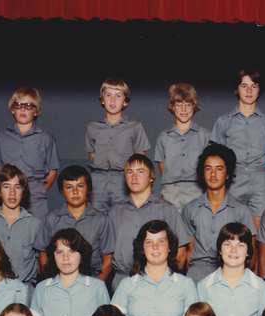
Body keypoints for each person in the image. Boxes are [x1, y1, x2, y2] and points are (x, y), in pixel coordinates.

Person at [210, 69, 265, 230]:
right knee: (231, 228)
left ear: (259, 90)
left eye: (254, 86)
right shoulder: (223, 122)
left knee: (257, 230)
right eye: (244, 86)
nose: (249, 91)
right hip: (234, 180)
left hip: (260, 180)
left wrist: (260, 176)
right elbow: (217, 158)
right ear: (236, 90)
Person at [107, 154, 189, 289]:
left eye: (140, 171)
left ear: (151, 177)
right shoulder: (114, 211)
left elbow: (180, 254)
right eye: (130, 172)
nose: (134, 177)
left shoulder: (167, 209)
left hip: (158, 280)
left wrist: (168, 281)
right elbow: (107, 255)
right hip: (121, 280)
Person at [198, 222, 265, 316]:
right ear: (220, 249)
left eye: (241, 245)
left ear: (248, 251)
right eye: (227, 244)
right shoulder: (204, 286)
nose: (233, 250)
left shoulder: (261, 288)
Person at [180, 143, 256, 281]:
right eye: (208, 169)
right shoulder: (190, 209)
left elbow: (251, 253)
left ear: (227, 174)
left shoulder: (241, 211)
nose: (213, 174)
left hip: (229, 271)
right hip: (197, 273)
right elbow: (188, 252)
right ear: (203, 174)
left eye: (219, 169)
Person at [35, 166, 116, 282]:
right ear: (62, 191)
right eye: (69, 187)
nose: (75, 191)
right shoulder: (50, 219)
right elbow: (43, 257)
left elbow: (108, 261)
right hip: (59, 280)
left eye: (80, 186)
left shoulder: (102, 220)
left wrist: (94, 286)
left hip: (91, 278)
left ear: (88, 190)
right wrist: (53, 284)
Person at [0, 87, 60, 220]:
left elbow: (53, 171)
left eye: (28, 105)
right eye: (18, 105)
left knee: (37, 231)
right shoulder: (1, 136)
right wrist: (6, 188)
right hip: (10, 196)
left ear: (36, 111)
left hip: (36, 198)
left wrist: (41, 190)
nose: (23, 109)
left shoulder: (46, 138)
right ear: (12, 109)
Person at [85, 77, 151, 215]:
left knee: (123, 217)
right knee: (97, 218)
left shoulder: (135, 127)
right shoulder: (93, 127)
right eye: (108, 95)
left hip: (123, 180)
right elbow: (92, 156)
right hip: (98, 181)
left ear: (125, 101)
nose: (113, 100)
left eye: (118, 96)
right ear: (102, 100)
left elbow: (141, 160)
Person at [0, 165, 42, 285]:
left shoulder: (35, 225)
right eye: (6, 187)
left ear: (23, 191)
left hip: (24, 286)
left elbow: (40, 264)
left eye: (17, 187)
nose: (12, 193)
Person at [154, 83, 209, 211]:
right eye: (179, 104)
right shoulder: (164, 137)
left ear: (194, 106)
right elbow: (163, 169)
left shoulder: (205, 135)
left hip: (197, 192)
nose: (183, 109)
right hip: (170, 193)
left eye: (188, 104)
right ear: (173, 107)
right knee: (171, 223)